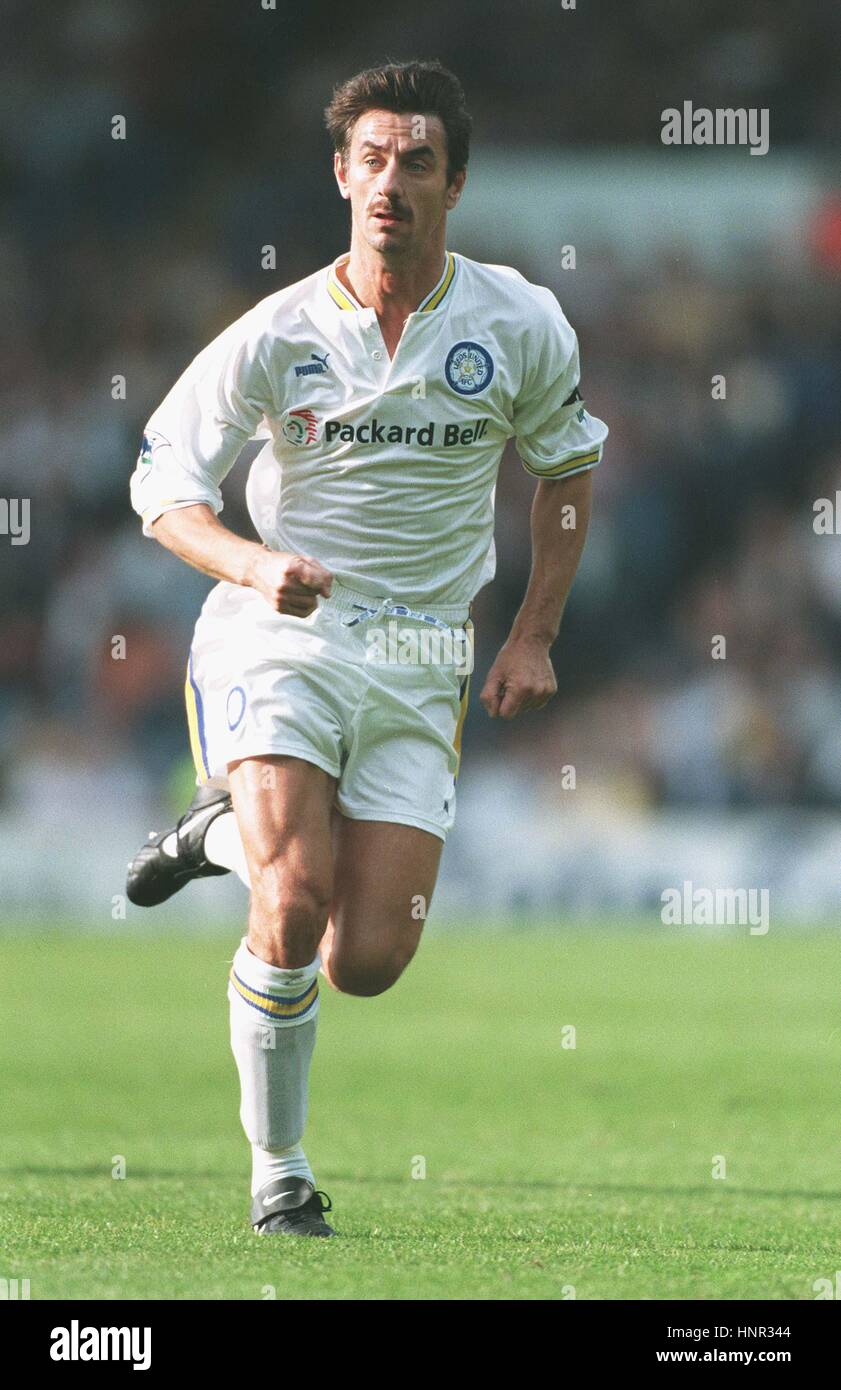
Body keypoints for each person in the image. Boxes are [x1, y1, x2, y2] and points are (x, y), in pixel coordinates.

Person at [127, 59, 607, 1237]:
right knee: (291, 903)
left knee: (368, 957)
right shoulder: (278, 332)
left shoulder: (518, 321)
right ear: (342, 174)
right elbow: (161, 487)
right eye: (373, 160)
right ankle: (278, 1175)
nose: (392, 181)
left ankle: (212, 833)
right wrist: (253, 563)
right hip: (279, 639)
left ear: (455, 184)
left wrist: (533, 634)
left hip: (423, 655)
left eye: (418, 162)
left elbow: (566, 468)